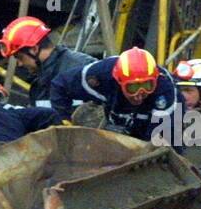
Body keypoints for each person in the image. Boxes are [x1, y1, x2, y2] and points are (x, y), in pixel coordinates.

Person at [48, 46, 183, 144]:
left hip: (158, 120)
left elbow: (158, 139)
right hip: (118, 118)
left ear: (155, 80)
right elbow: (60, 85)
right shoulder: (101, 75)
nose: (139, 95)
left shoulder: (164, 87)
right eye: (133, 87)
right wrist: (64, 121)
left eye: (147, 86)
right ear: (119, 81)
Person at [0, 16, 95, 115]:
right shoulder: (39, 84)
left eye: (20, 57)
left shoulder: (84, 69)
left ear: (34, 49)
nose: (19, 64)